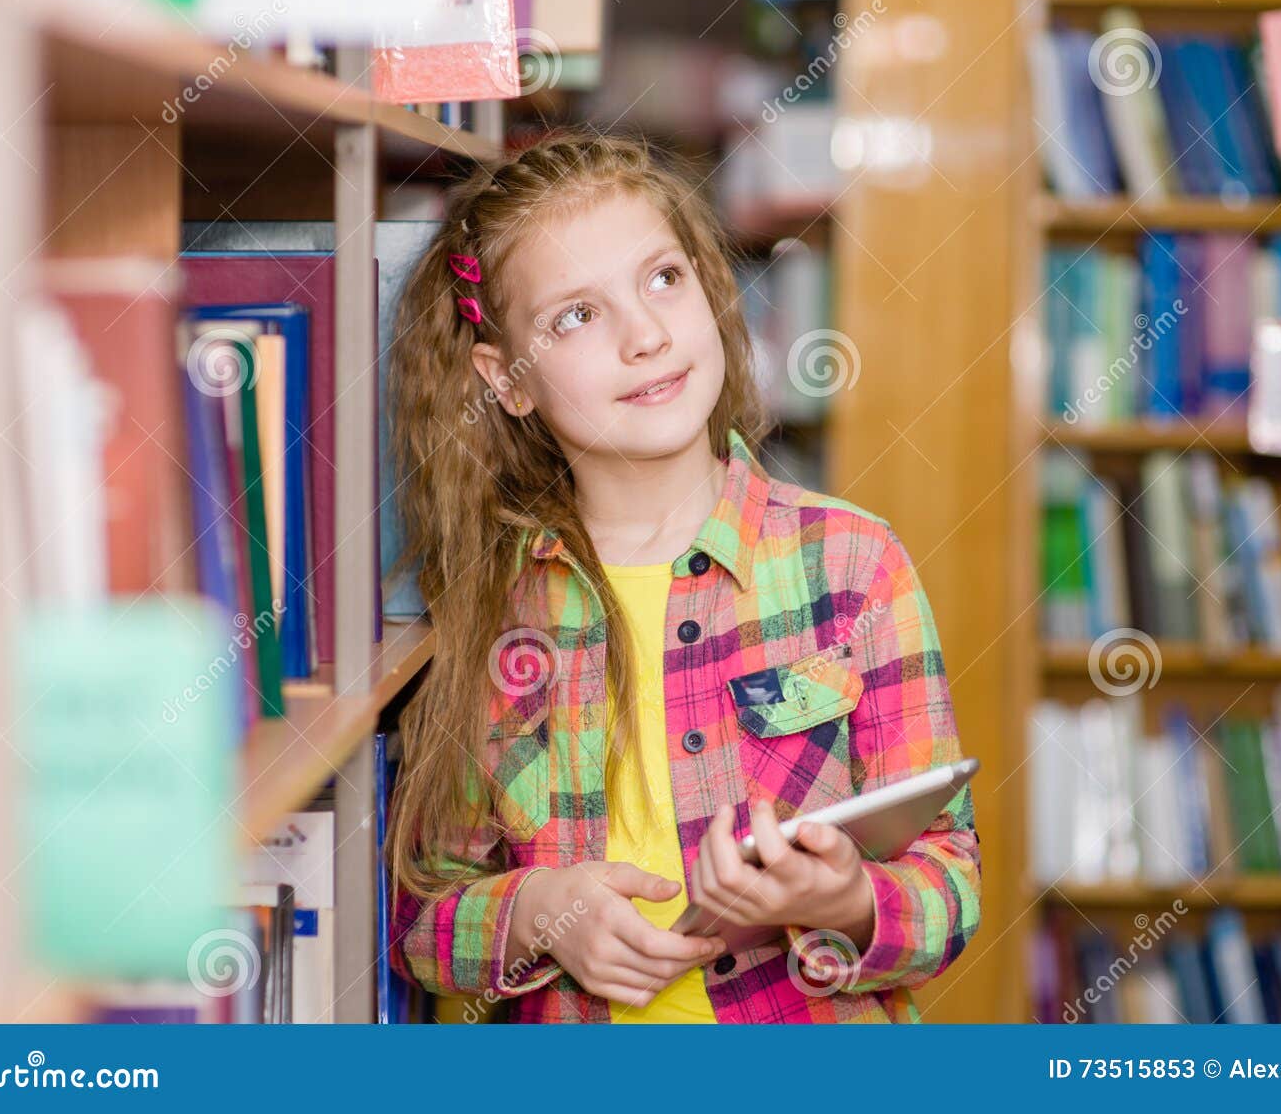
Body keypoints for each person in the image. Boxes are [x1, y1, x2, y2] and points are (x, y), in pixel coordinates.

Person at [384, 130, 979, 1023]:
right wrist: (540, 913)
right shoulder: (486, 605)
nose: (647, 335)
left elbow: (951, 883)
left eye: (664, 278)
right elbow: (423, 921)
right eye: (576, 316)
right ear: (507, 379)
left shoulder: (854, 564)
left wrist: (844, 900)